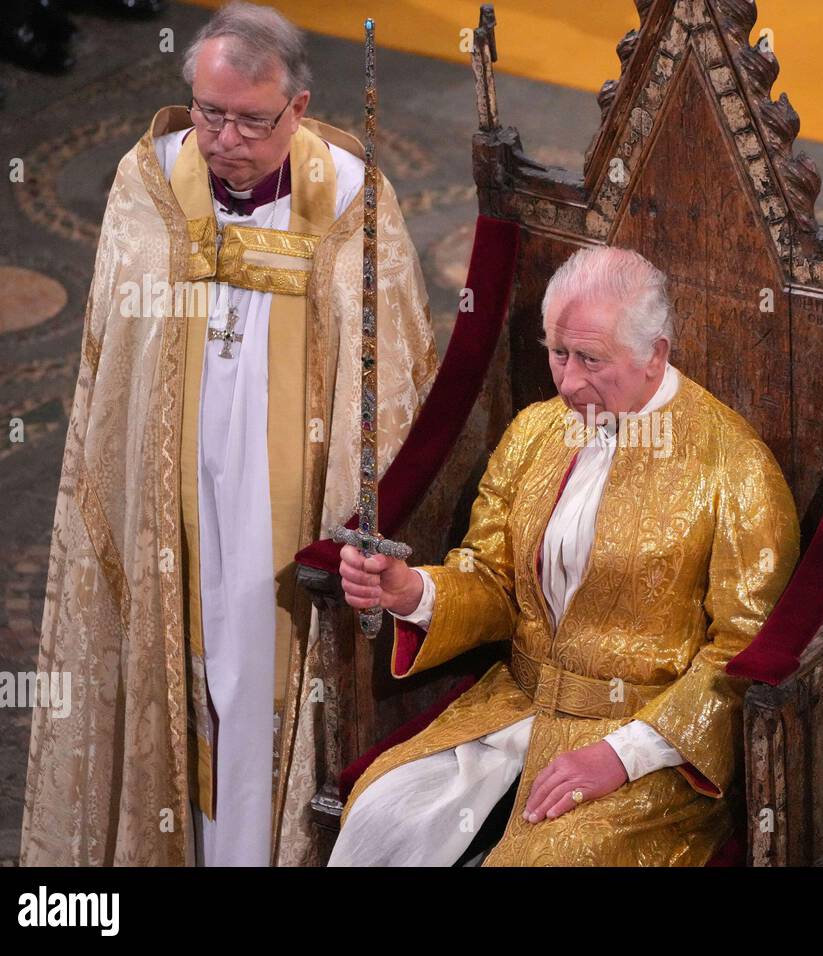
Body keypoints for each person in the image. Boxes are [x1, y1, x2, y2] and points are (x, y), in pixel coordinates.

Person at [21, 1, 437, 866]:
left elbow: (388, 374)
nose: (224, 139)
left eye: (251, 120)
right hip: (169, 493)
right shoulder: (151, 182)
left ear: (298, 106)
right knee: (180, 672)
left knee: (255, 678)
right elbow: (114, 360)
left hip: (283, 500)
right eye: (210, 114)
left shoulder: (353, 202)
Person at [329, 246, 799, 866]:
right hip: (511, 710)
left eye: (591, 359)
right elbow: (493, 579)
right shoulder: (537, 431)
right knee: (382, 814)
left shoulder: (734, 467)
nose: (569, 381)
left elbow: (745, 649)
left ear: (655, 353)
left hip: (645, 752)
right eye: (558, 353)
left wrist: (622, 755)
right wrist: (411, 591)